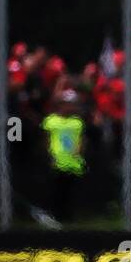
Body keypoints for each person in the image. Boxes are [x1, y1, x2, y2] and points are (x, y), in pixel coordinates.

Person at [41, 89, 86, 222]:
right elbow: (46, 140)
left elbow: (81, 141)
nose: (71, 107)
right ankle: (55, 216)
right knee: (56, 191)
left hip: (72, 162)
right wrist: (48, 155)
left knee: (70, 192)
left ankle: (68, 217)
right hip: (56, 161)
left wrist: (79, 154)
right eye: (68, 104)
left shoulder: (77, 122)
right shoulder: (51, 121)